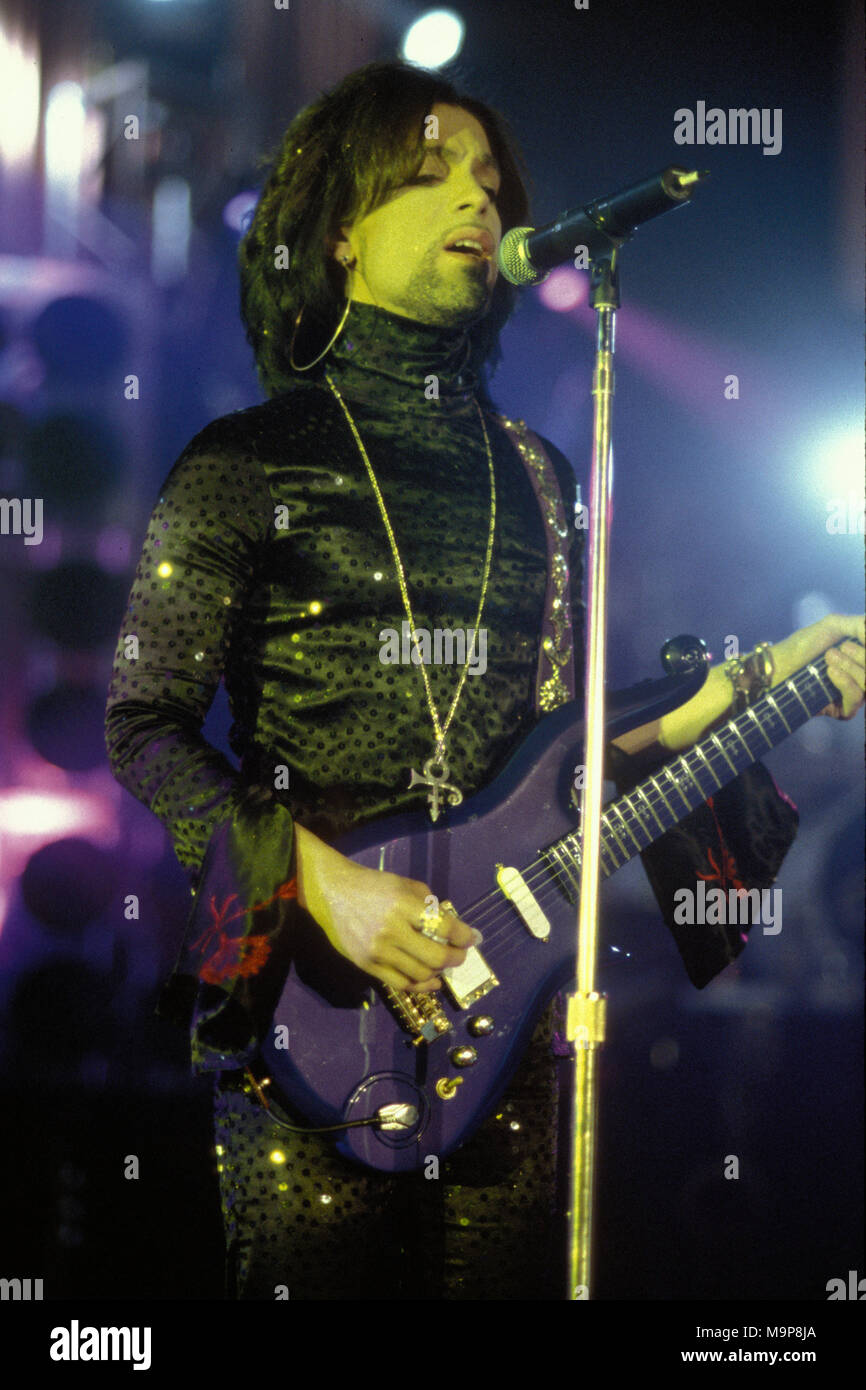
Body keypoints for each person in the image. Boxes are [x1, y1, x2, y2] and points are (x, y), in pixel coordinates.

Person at [104, 60, 865, 1301]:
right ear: (339, 234)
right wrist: (313, 875)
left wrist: (761, 675)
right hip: (308, 1002)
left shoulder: (538, 477)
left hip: (504, 1016)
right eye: (430, 172)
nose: (480, 197)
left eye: (489, 177)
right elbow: (139, 725)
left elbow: (567, 751)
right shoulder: (244, 462)